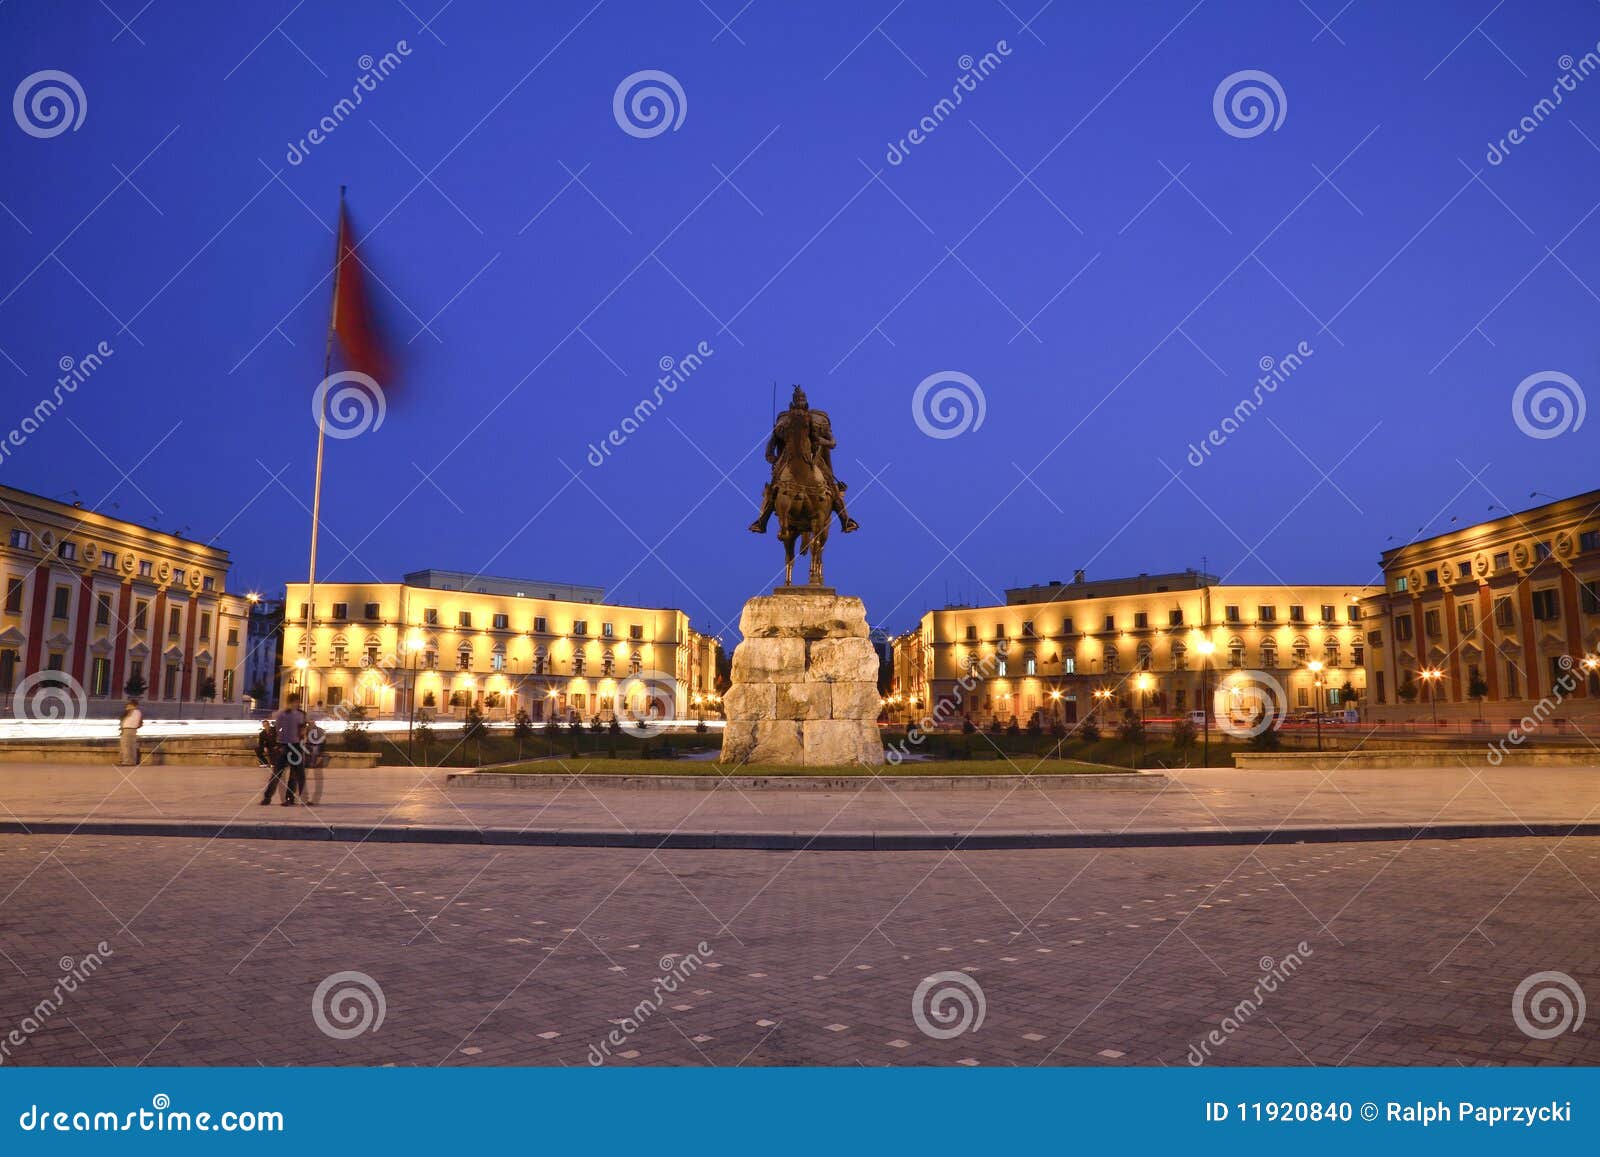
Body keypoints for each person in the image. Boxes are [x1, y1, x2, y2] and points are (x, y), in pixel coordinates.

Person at [261, 693, 309, 806]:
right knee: (282, 773)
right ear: (291, 702)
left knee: (292, 774)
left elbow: (301, 728)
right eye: (295, 702)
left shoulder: (296, 714)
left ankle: (287, 798)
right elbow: (279, 729)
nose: (297, 704)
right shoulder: (286, 714)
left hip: (291, 745)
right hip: (288, 745)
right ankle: (273, 797)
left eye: (297, 702)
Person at [117, 698, 143, 766]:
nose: (127, 706)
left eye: (128, 705)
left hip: (127, 730)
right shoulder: (138, 712)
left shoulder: (130, 712)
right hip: (133, 730)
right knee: (132, 746)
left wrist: (122, 728)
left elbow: (123, 720)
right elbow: (140, 723)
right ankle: (131, 761)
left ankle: (126, 761)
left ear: (132, 705)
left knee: (126, 746)